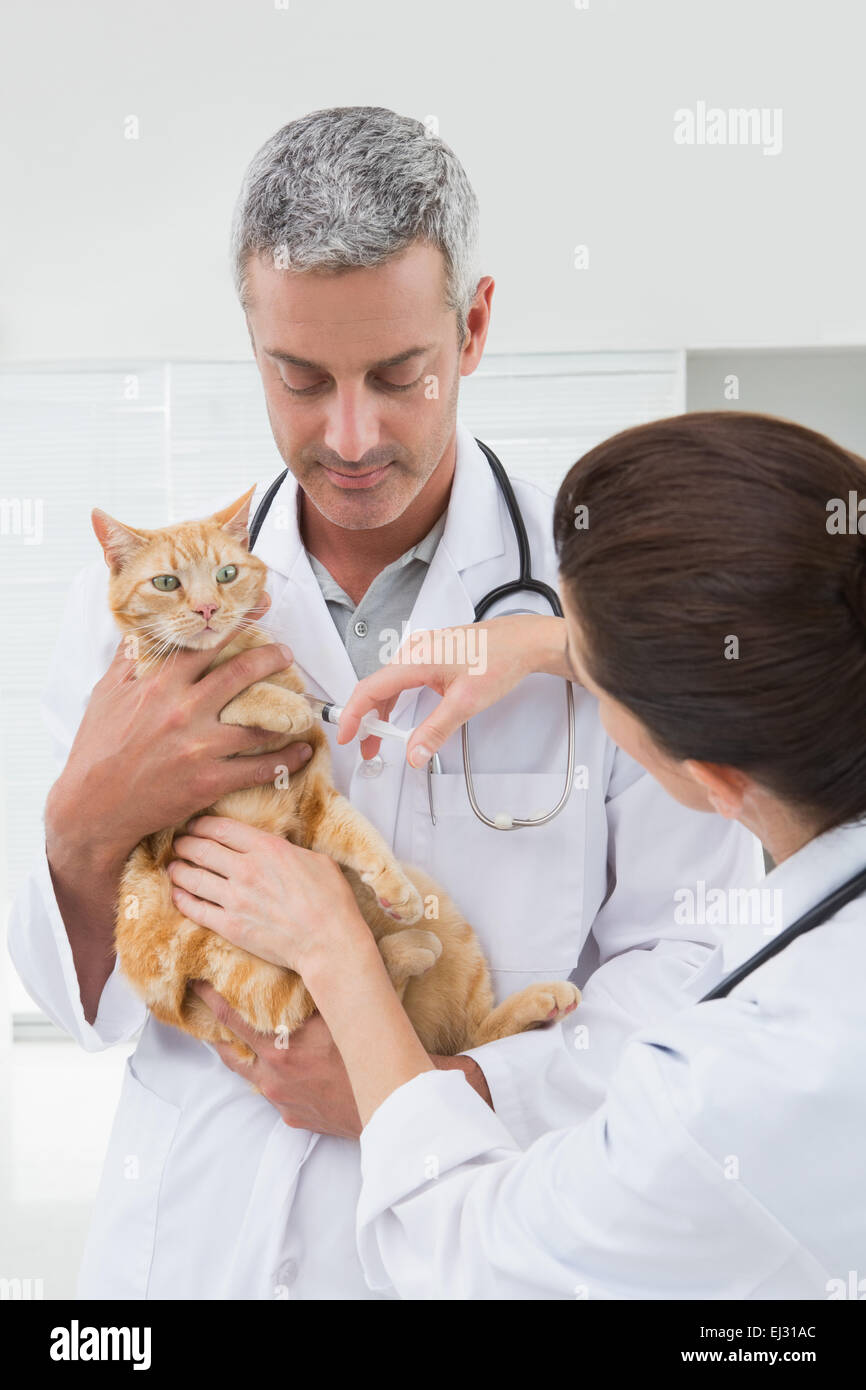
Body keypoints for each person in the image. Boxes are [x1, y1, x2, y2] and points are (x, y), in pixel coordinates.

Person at [7, 110, 759, 1301]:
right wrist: (83, 822)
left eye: (398, 377)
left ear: (472, 326)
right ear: (252, 341)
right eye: (300, 380)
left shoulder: (596, 591)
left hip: (463, 1231)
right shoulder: (138, 606)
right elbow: (76, 1004)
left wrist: (430, 1087)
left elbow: (689, 963)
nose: (349, 436)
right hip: (190, 1256)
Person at [173, 411, 866, 1299]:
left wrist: (337, 950)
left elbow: (472, 1253)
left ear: (713, 783)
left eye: (592, 669)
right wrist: (547, 644)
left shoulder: (745, 1086)